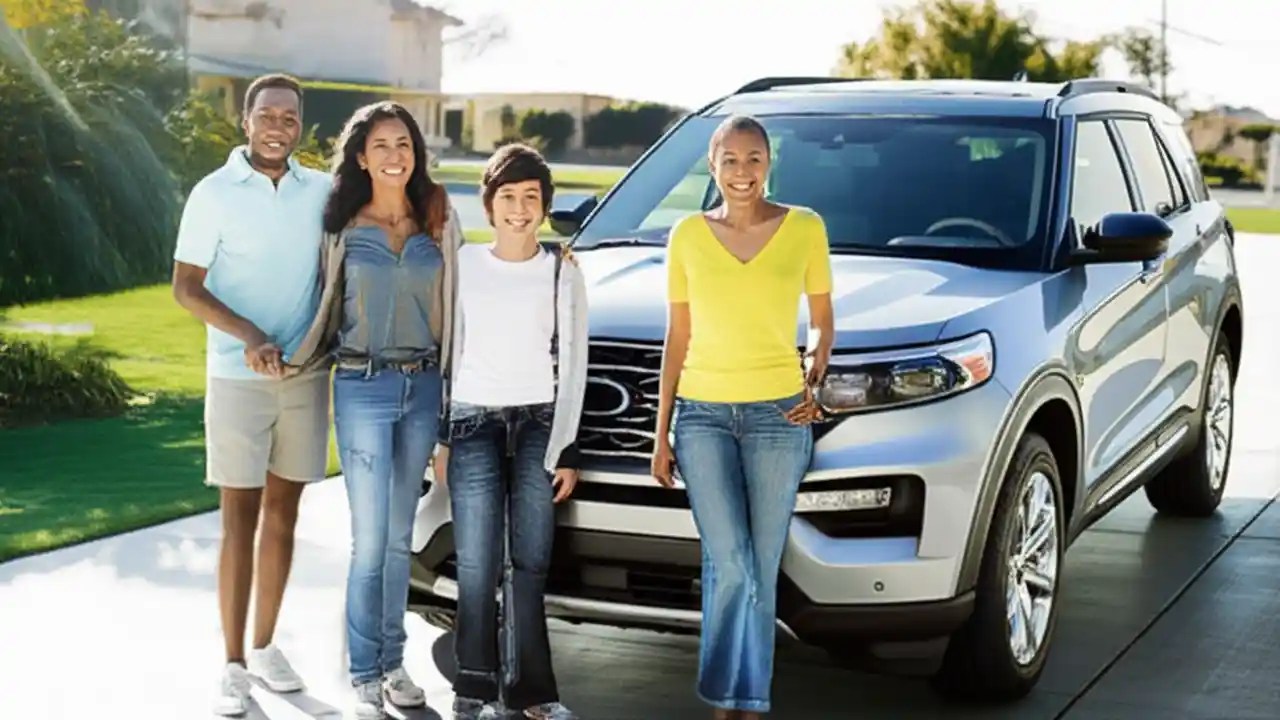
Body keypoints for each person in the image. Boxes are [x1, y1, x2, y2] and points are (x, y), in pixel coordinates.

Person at [650, 114, 834, 719]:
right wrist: (661, 432)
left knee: (758, 563)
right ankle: (730, 696)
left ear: (769, 164)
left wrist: (816, 371)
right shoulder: (686, 236)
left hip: (779, 417)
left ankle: (743, 703)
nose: (742, 172)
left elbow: (823, 322)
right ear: (713, 165)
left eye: (753, 159)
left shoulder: (805, 228)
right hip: (701, 417)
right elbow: (677, 337)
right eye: (730, 159)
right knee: (729, 561)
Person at [286, 100, 463, 720]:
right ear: (361, 156)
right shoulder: (341, 224)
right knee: (370, 540)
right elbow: (319, 301)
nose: (395, 156)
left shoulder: (438, 217)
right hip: (361, 386)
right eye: (383, 145)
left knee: (396, 542)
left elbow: (460, 308)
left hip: (423, 388)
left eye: (405, 145)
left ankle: (394, 664)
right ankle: (365, 670)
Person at [171, 74, 332, 717]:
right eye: (266, 115)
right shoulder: (211, 194)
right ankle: (233, 663)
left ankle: (266, 646)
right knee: (239, 520)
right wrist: (250, 335)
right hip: (237, 378)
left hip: (304, 377)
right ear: (246, 122)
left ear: (299, 127)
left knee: (285, 516)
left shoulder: (321, 192)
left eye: (288, 118)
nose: (277, 126)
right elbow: (186, 287)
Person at [431, 143, 589, 720]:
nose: (519, 209)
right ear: (489, 204)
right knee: (475, 562)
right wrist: (442, 438)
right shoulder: (464, 266)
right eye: (508, 197)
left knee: (529, 563)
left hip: (538, 427)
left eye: (531, 198)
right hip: (472, 422)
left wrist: (565, 447)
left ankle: (532, 696)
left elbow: (576, 363)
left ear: (545, 206)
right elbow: (446, 353)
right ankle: (473, 690)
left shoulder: (563, 271)